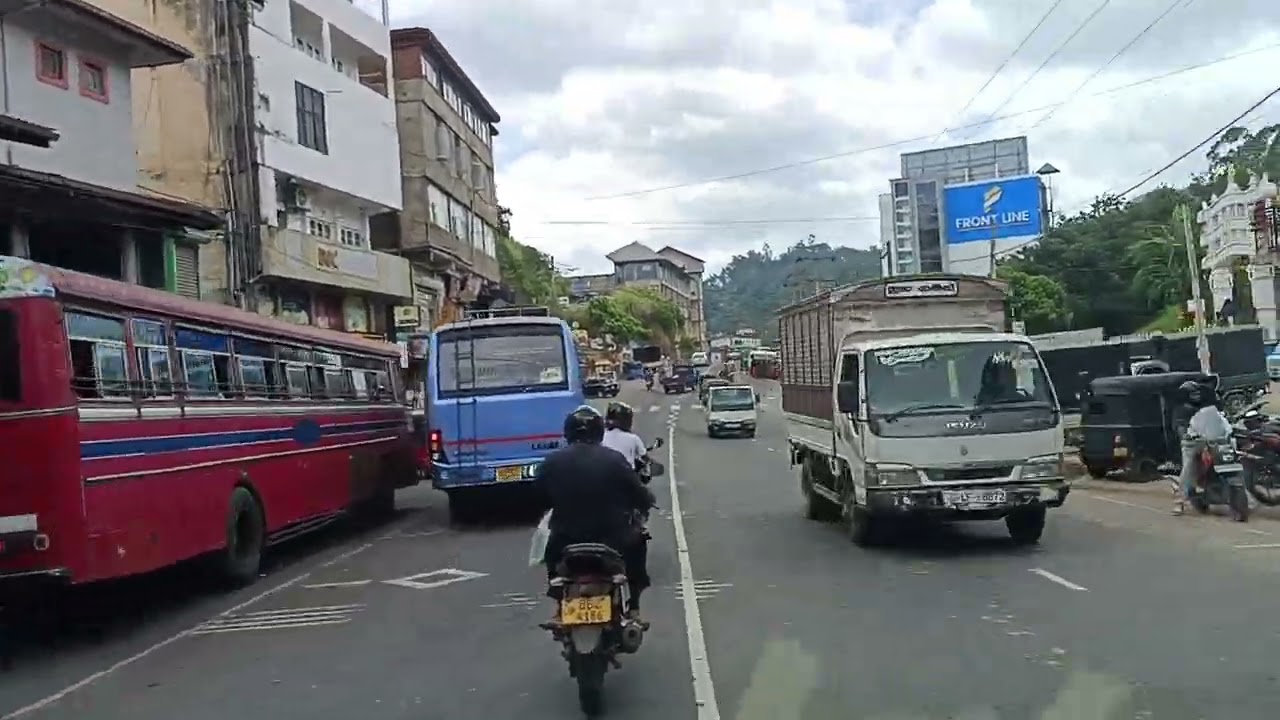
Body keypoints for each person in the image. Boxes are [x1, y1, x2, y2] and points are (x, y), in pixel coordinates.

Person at [536, 405, 655, 620]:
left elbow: (537, 498)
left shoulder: (551, 462)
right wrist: (646, 502)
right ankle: (634, 606)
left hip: (565, 538)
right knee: (639, 543)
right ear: (599, 431)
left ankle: (559, 602)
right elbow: (638, 493)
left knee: (551, 557)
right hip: (612, 538)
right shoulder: (614, 459)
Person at [1173, 380, 1233, 515]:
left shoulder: (1205, 406)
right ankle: (1179, 502)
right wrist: (1186, 435)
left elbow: (1218, 418)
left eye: (1197, 392)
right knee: (1189, 470)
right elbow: (1180, 426)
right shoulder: (1181, 410)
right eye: (1192, 393)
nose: (1196, 395)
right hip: (1193, 443)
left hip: (1212, 440)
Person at [602, 401, 649, 471]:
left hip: (605, 474)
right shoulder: (634, 439)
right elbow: (644, 457)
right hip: (627, 475)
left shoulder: (602, 437)